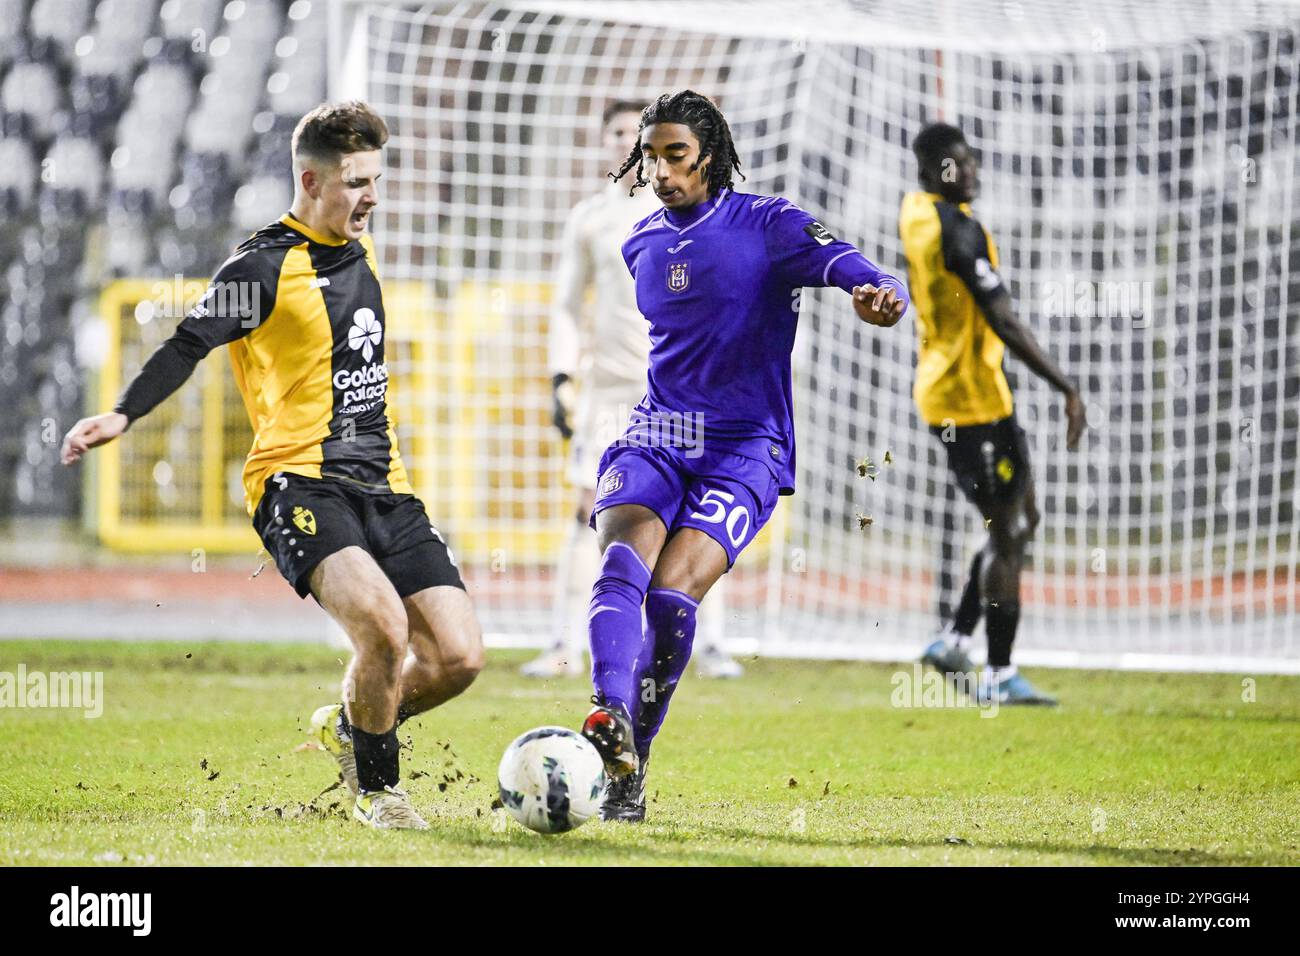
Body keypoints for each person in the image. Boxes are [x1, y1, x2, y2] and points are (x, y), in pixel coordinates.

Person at [61, 101, 485, 829]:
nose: (371, 198)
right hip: (297, 482)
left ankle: (353, 726)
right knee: (383, 630)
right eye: (356, 183)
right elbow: (187, 343)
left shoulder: (361, 245)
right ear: (311, 179)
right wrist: (123, 413)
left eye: (375, 181)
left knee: (459, 657)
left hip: (385, 483)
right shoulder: (259, 267)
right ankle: (380, 791)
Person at [578, 90, 908, 821]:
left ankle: (636, 762)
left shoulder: (770, 224)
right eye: (651, 156)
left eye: (677, 156)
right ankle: (609, 717)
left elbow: (858, 267)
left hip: (744, 449)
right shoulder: (641, 243)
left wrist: (879, 293)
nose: (662, 171)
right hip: (658, 433)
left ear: (710, 155)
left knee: (670, 600)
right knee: (620, 567)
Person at [524, 99, 743, 681]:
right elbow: (568, 307)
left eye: (637, 135)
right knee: (587, 510)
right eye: (617, 133)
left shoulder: (691, 214)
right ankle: (563, 643)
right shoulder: (590, 218)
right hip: (610, 390)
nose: (629, 144)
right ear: (608, 144)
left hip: (679, 392)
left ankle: (711, 643)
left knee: (697, 511)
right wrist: (561, 376)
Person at [900, 122, 1087, 706]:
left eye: (972, 161)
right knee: (1007, 531)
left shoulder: (917, 211)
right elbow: (1004, 320)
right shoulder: (958, 232)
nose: (970, 172)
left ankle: (955, 641)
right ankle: (1000, 673)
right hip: (967, 401)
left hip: (980, 394)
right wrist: (1066, 387)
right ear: (931, 172)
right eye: (955, 165)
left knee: (1020, 517)